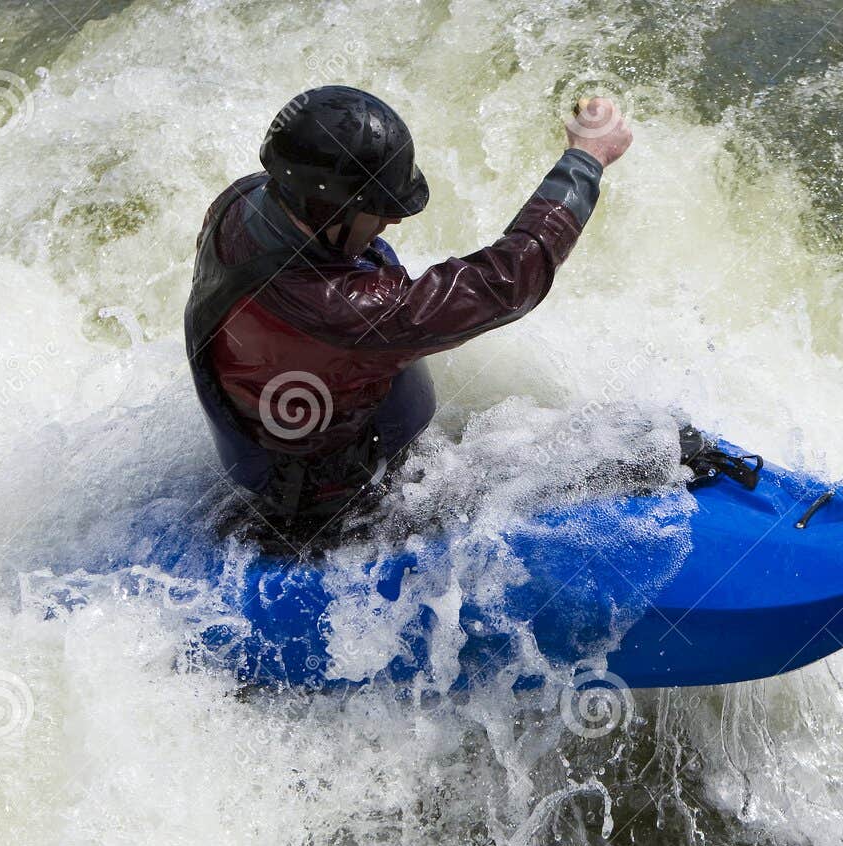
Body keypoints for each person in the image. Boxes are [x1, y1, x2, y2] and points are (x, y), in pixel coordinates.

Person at [184, 85, 632, 540]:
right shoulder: (350, 313)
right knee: (627, 461)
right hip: (345, 509)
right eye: (377, 209)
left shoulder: (243, 200)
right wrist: (585, 158)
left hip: (274, 439)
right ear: (328, 208)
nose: (392, 221)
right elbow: (508, 280)